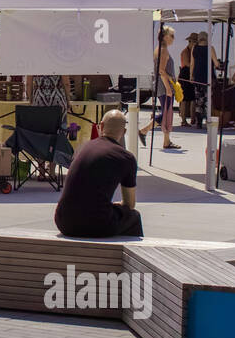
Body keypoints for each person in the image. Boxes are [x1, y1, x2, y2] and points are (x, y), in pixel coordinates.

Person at [54, 109, 142, 238]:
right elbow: (129, 204)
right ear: (124, 132)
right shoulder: (126, 158)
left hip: (64, 221)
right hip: (97, 224)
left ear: (100, 126)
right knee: (133, 216)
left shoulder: (81, 148)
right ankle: (127, 255)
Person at [139, 25, 178, 149]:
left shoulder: (160, 49)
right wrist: (168, 87)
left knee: (166, 112)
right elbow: (161, 70)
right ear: (165, 37)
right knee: (166, 112)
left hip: (162, 84)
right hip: (164, 85)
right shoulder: (163, 50)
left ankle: (166, 140)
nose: (174, 38)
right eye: (172, 36)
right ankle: (144, 131)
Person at [188, 31, 218, 127]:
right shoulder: (210, 48)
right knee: (207, 99)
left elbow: (192, 64)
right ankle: (208, 120)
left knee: (198, 100)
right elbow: (216, 63)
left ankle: (199, 122)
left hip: (197, 77)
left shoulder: (194, 48)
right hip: (208, 78)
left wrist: (191, 76)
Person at [178, 33, 197, 126]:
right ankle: (184, 120)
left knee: (193, 98)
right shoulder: (185, 52)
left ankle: (193, 118)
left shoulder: (194, 51)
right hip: (185, 76)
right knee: (184, 100)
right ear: (191, 42)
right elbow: (187, 63)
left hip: (191, 75)